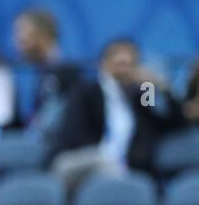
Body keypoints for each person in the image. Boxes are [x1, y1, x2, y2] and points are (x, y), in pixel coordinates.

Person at [50, 38, 186, 190]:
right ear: (104, 63)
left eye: (130, 65)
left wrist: (163, 89)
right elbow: (73, 133)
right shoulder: (86, 92)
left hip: (130, 167)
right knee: (78, 164)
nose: (124, 70)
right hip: (86, 160)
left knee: (127, 177)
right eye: (120, 64)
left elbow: (174, 124)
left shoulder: (142, 97)